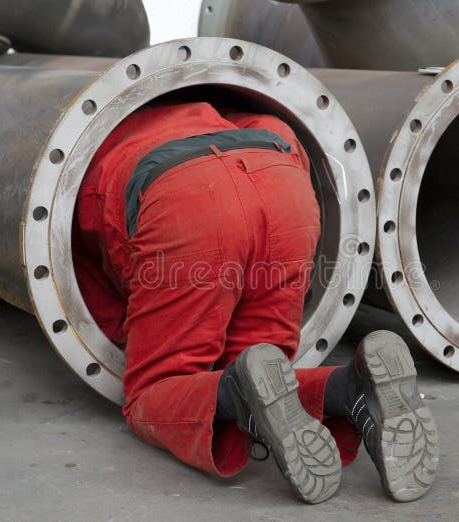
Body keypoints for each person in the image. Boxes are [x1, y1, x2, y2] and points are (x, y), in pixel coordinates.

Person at [72, 100, 437, 504]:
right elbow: (278, 127)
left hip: (182, 199)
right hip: (282, 182)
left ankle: (235, 393)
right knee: (266, 365)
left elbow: (105, 316)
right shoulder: (207, 107)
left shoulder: (87, 157)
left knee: (152, 391)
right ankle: (351, 388)